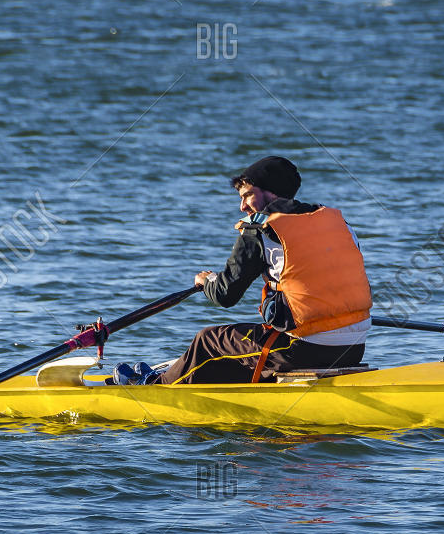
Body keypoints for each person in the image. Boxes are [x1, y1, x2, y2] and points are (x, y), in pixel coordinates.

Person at [114, 156, 372, 385]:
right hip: (354, 346)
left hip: (302, 350)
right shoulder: (338, 223)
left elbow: (226, 295)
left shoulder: (261, 230)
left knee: (207, 340)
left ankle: (153, 386)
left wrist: (207, 282)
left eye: (247, 195)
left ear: (270, 192)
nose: (243, 207)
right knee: (240, 348)